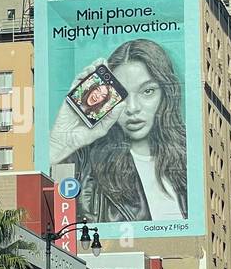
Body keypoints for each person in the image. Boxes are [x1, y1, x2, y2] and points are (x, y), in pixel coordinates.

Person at [49, 38, 188, 223]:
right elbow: (40, 212)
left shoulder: (189, 162)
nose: (132, 108)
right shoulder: (87, 167)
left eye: (147, 91)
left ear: (166, 93)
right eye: (122, 95)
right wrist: (61, 142)